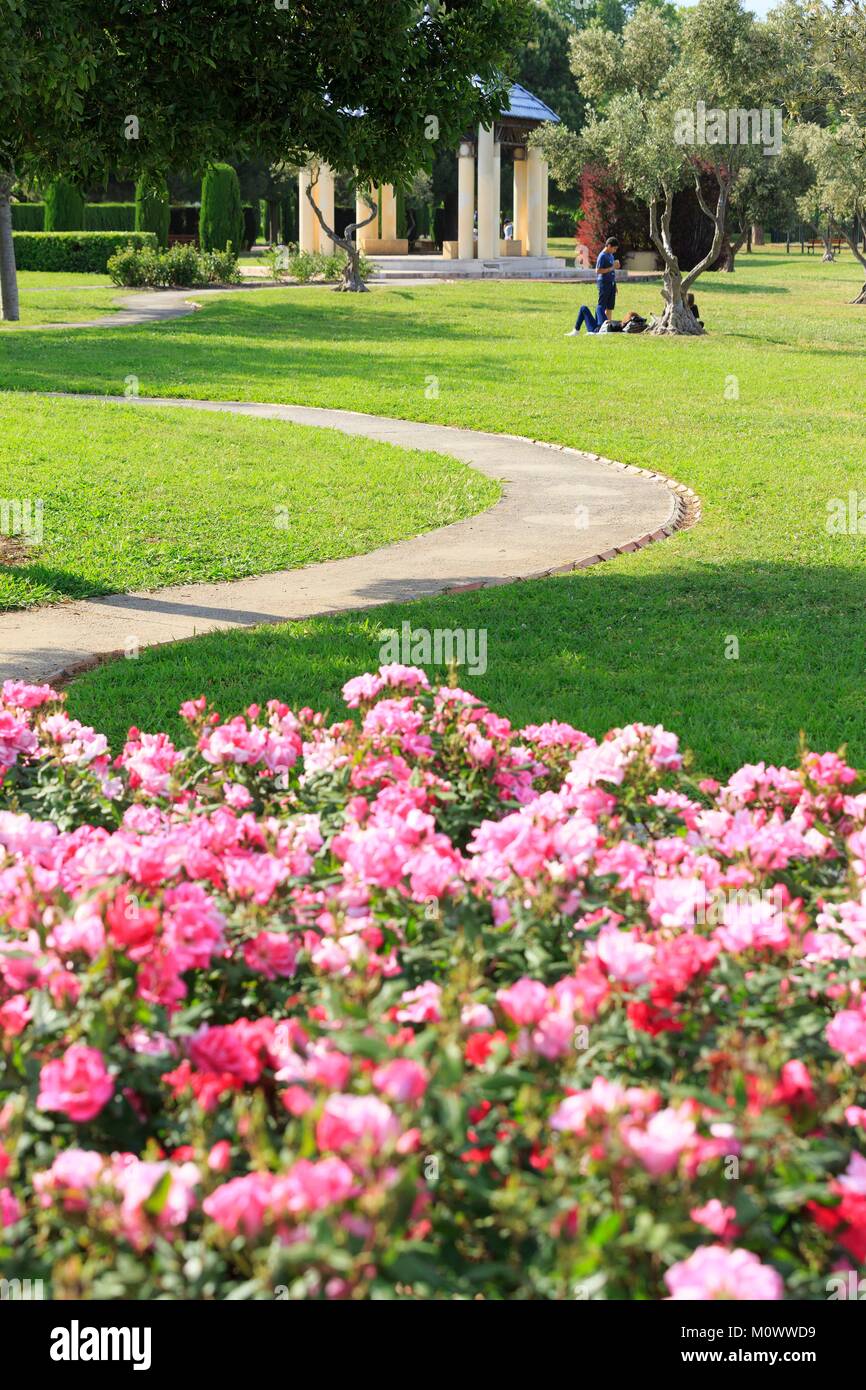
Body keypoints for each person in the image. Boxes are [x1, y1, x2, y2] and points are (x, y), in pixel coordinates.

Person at [565, 236, 620, 335]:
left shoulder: (611, 256)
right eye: (614, 248)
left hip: (611, 283)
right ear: (608, 246)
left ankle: (608, 327)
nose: (615, 251)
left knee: (609, 307)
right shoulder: (602, 256)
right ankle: (605, 327)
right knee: (600, 307)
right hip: (604, 283)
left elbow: (612, 272)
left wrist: (614, 284)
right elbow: (598, 271)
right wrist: (612, 267)